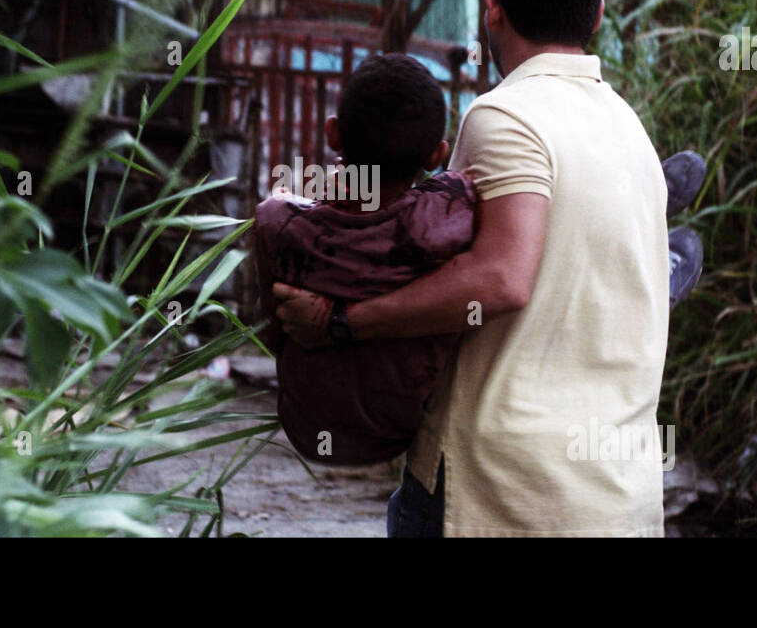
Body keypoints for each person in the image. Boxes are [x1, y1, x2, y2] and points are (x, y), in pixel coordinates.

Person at [272, 0, 688, 537]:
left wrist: (339, 323)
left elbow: (499, 279)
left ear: (491, 9)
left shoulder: (505, 116)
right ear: (597, 14)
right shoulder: (630, 127)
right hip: (617, 498)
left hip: (500, 493)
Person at [259, 48, 705, 494]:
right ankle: (633, 224)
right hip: (406, 417)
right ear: (438, 153)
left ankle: (633, 211)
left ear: (333, 133)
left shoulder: (279, 223)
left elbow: (271, 330)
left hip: (319, 422)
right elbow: (505, 255)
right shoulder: (441, 217)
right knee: (505, 238)